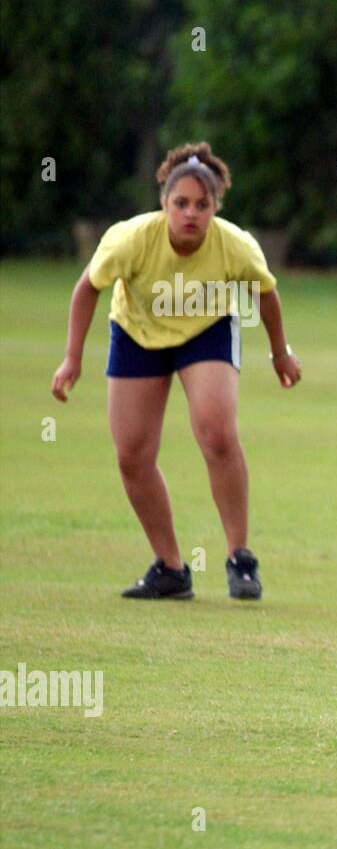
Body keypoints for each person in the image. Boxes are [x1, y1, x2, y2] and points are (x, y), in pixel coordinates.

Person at [50, 142, 302, 600]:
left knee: (216, 432)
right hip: (137, 333)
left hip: (206, 330)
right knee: (131, 455)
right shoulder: (130, 239)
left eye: (202, 205)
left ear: (215, 207)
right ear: (163, 204)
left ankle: (239, 559)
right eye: (180, 203)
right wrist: (72, 357)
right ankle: (169, 569)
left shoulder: (235, 246)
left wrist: (280, 352)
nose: (191, 214)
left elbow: (266, 294)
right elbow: (87, 288)